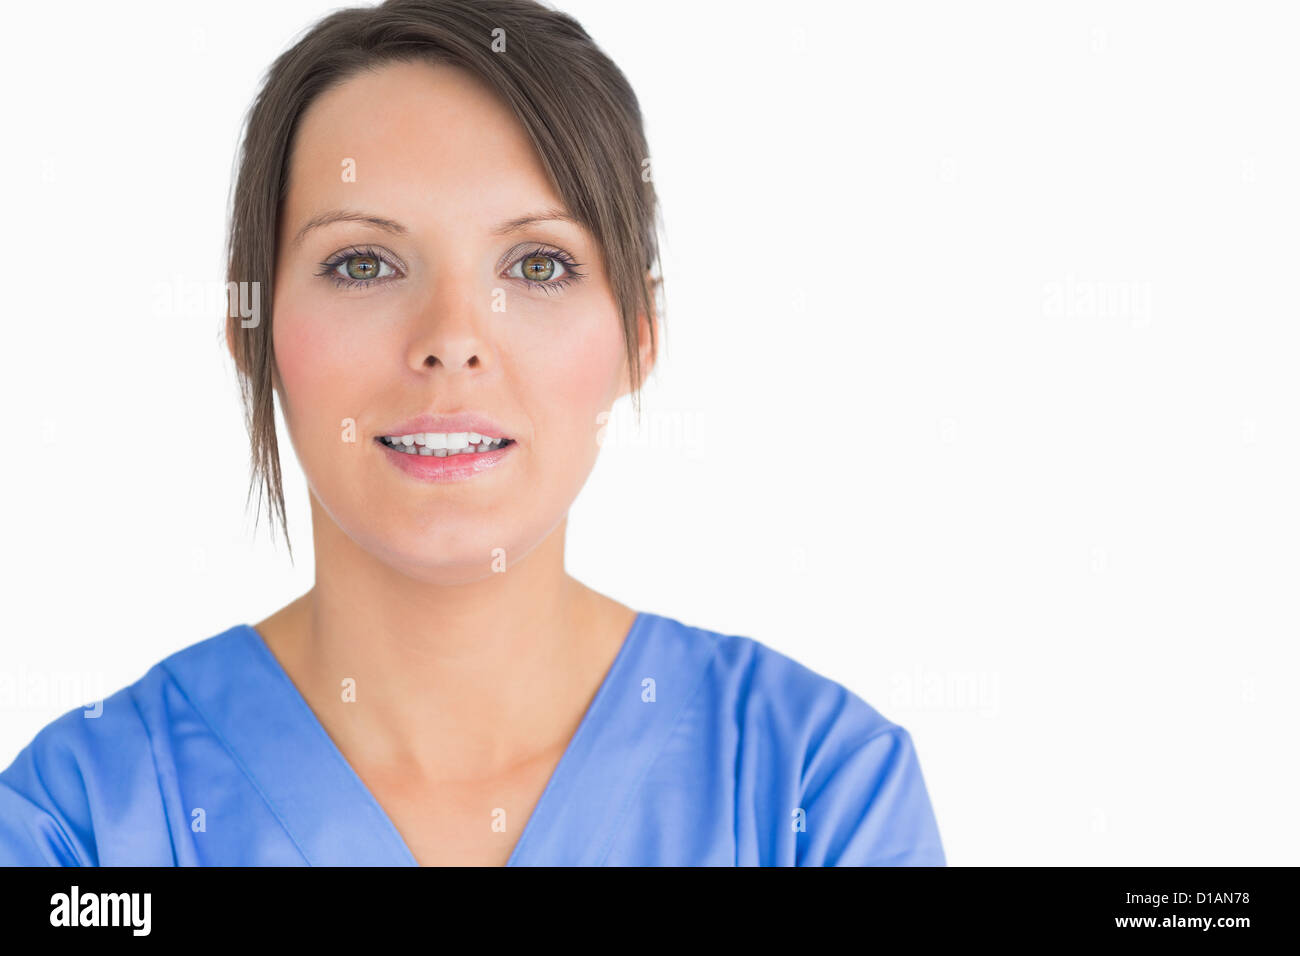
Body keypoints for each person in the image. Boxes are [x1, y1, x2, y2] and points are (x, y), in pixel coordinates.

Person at [0, 0, 945, 866]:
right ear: (253, 333)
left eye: (538, 264)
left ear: (639, 338)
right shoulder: (81, 822)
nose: (453, 338)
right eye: (363, 262)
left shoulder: (816, 791)